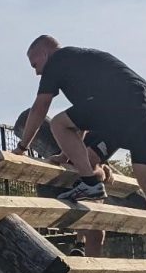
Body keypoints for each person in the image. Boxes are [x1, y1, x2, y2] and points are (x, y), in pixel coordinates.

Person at [13, 35, 146, 262]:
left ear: (44, 54)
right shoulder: (81, 64)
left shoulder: (57, 61)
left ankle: (90, 183)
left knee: (57, 122)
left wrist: (22, 147)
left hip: (123, 99)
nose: (36, 73)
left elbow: (41, 107)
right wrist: (66, 154)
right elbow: (80, 126)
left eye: (35, 65)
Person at [13, 109, 107, 258]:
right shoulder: (71, 128)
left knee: (95, 225)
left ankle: (80, 244)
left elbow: (95, 163)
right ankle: (80, 242)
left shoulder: (98, 134)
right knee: (92, 216)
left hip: (79, 184)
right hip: (57, 186)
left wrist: (104, 168)